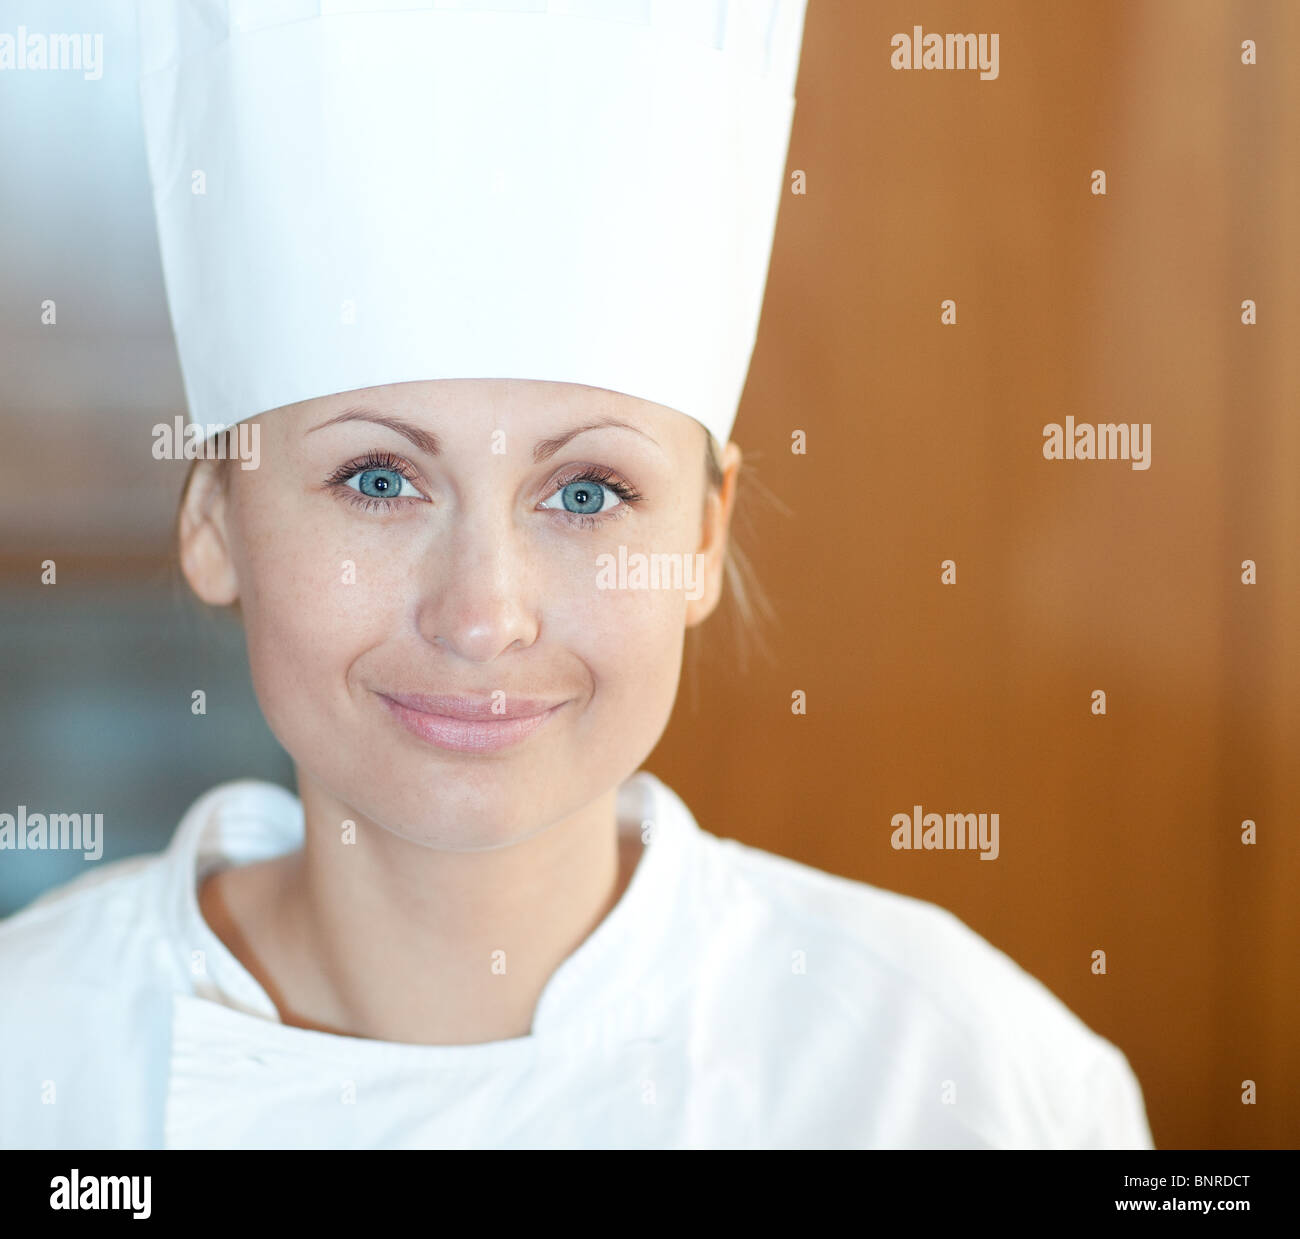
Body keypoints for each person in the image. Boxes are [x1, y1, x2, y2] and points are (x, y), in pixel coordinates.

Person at [0, 0, 1153, 1149]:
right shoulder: (34, 1050)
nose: (484, 617)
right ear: (213, 520)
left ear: (704, 536)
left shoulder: (966, 1078)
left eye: (587, 493)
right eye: (378, 480)